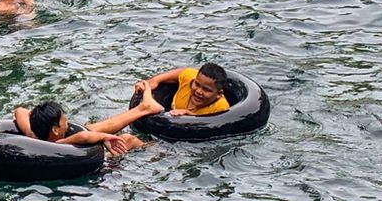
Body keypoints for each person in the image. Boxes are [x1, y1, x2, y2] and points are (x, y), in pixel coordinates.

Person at [13, 87, 163, 158]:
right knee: (128, 139)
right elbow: (83, 138)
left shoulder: (35, 136)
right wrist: (104, 137)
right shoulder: (58, 145)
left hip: (50, 138)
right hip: (88, 163)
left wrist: (30, 133)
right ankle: (155, 151)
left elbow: (20, 111)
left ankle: (144, 108)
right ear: (55, 130)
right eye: (64, 121)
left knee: (89, 128)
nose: (67, 122)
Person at [133, 62, 232, 116]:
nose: (198, 91)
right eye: (197, 84)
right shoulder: (190, 77)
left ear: (219, 94)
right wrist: (153, 81)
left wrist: (189, 114)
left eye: (206, 90)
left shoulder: (221, 108)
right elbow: (181, 72)